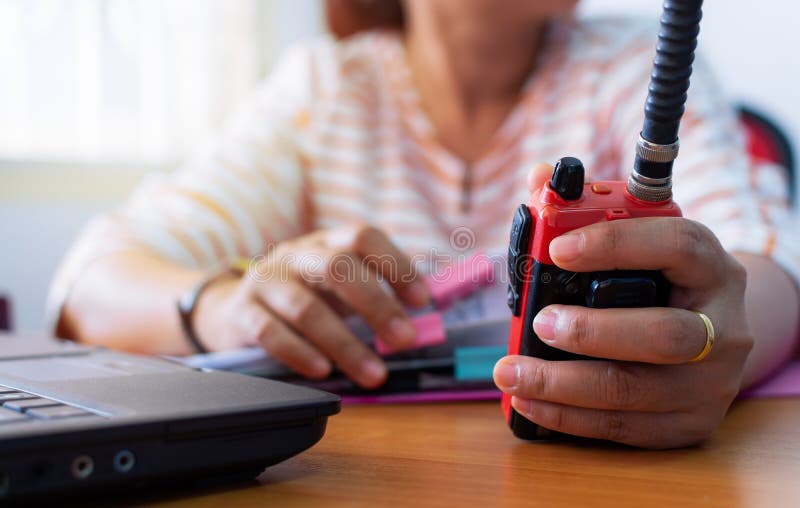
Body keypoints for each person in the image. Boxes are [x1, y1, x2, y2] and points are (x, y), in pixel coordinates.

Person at [49, 0, 799, 448]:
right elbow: (93, 276)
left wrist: (714, 330)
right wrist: (221, 303)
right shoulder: (327, 87)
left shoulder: (633, 65)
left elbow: (768, 257)